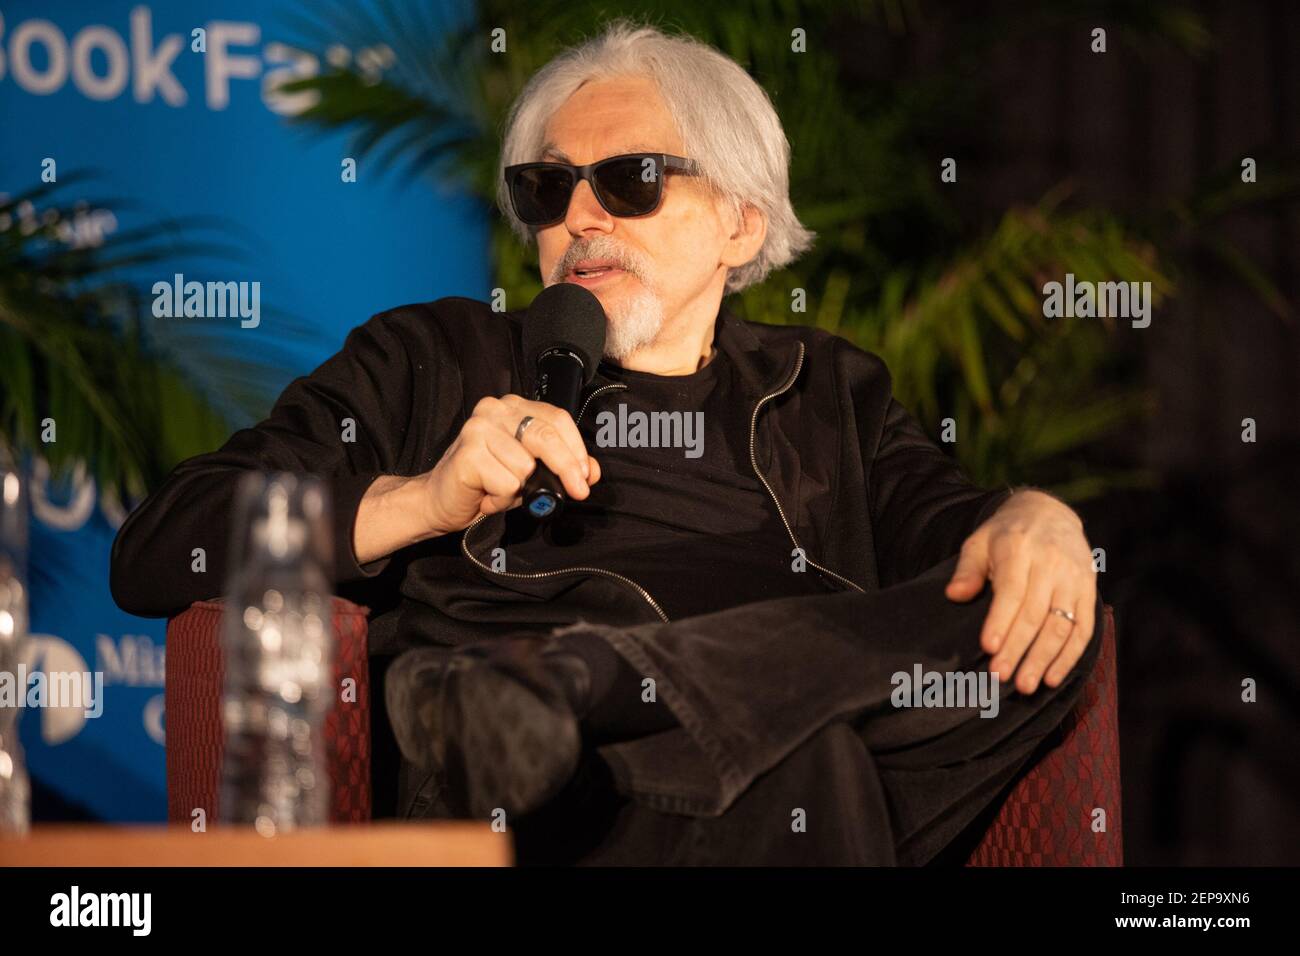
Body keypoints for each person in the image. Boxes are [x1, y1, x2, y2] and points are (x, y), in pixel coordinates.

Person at [110, 20, 1103, 865]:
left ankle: (587, 681)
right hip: (542, 799)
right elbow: (158, 544)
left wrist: (1035, 516)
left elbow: (954, 535)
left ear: (741, 223)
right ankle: (543, 697)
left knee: (1049, 608)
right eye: (548, 188)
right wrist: (419, 497)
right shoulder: (434, 357)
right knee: (813, 758)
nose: (580, 215)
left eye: (629, 178)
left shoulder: (827, 391)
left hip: (735, 782)